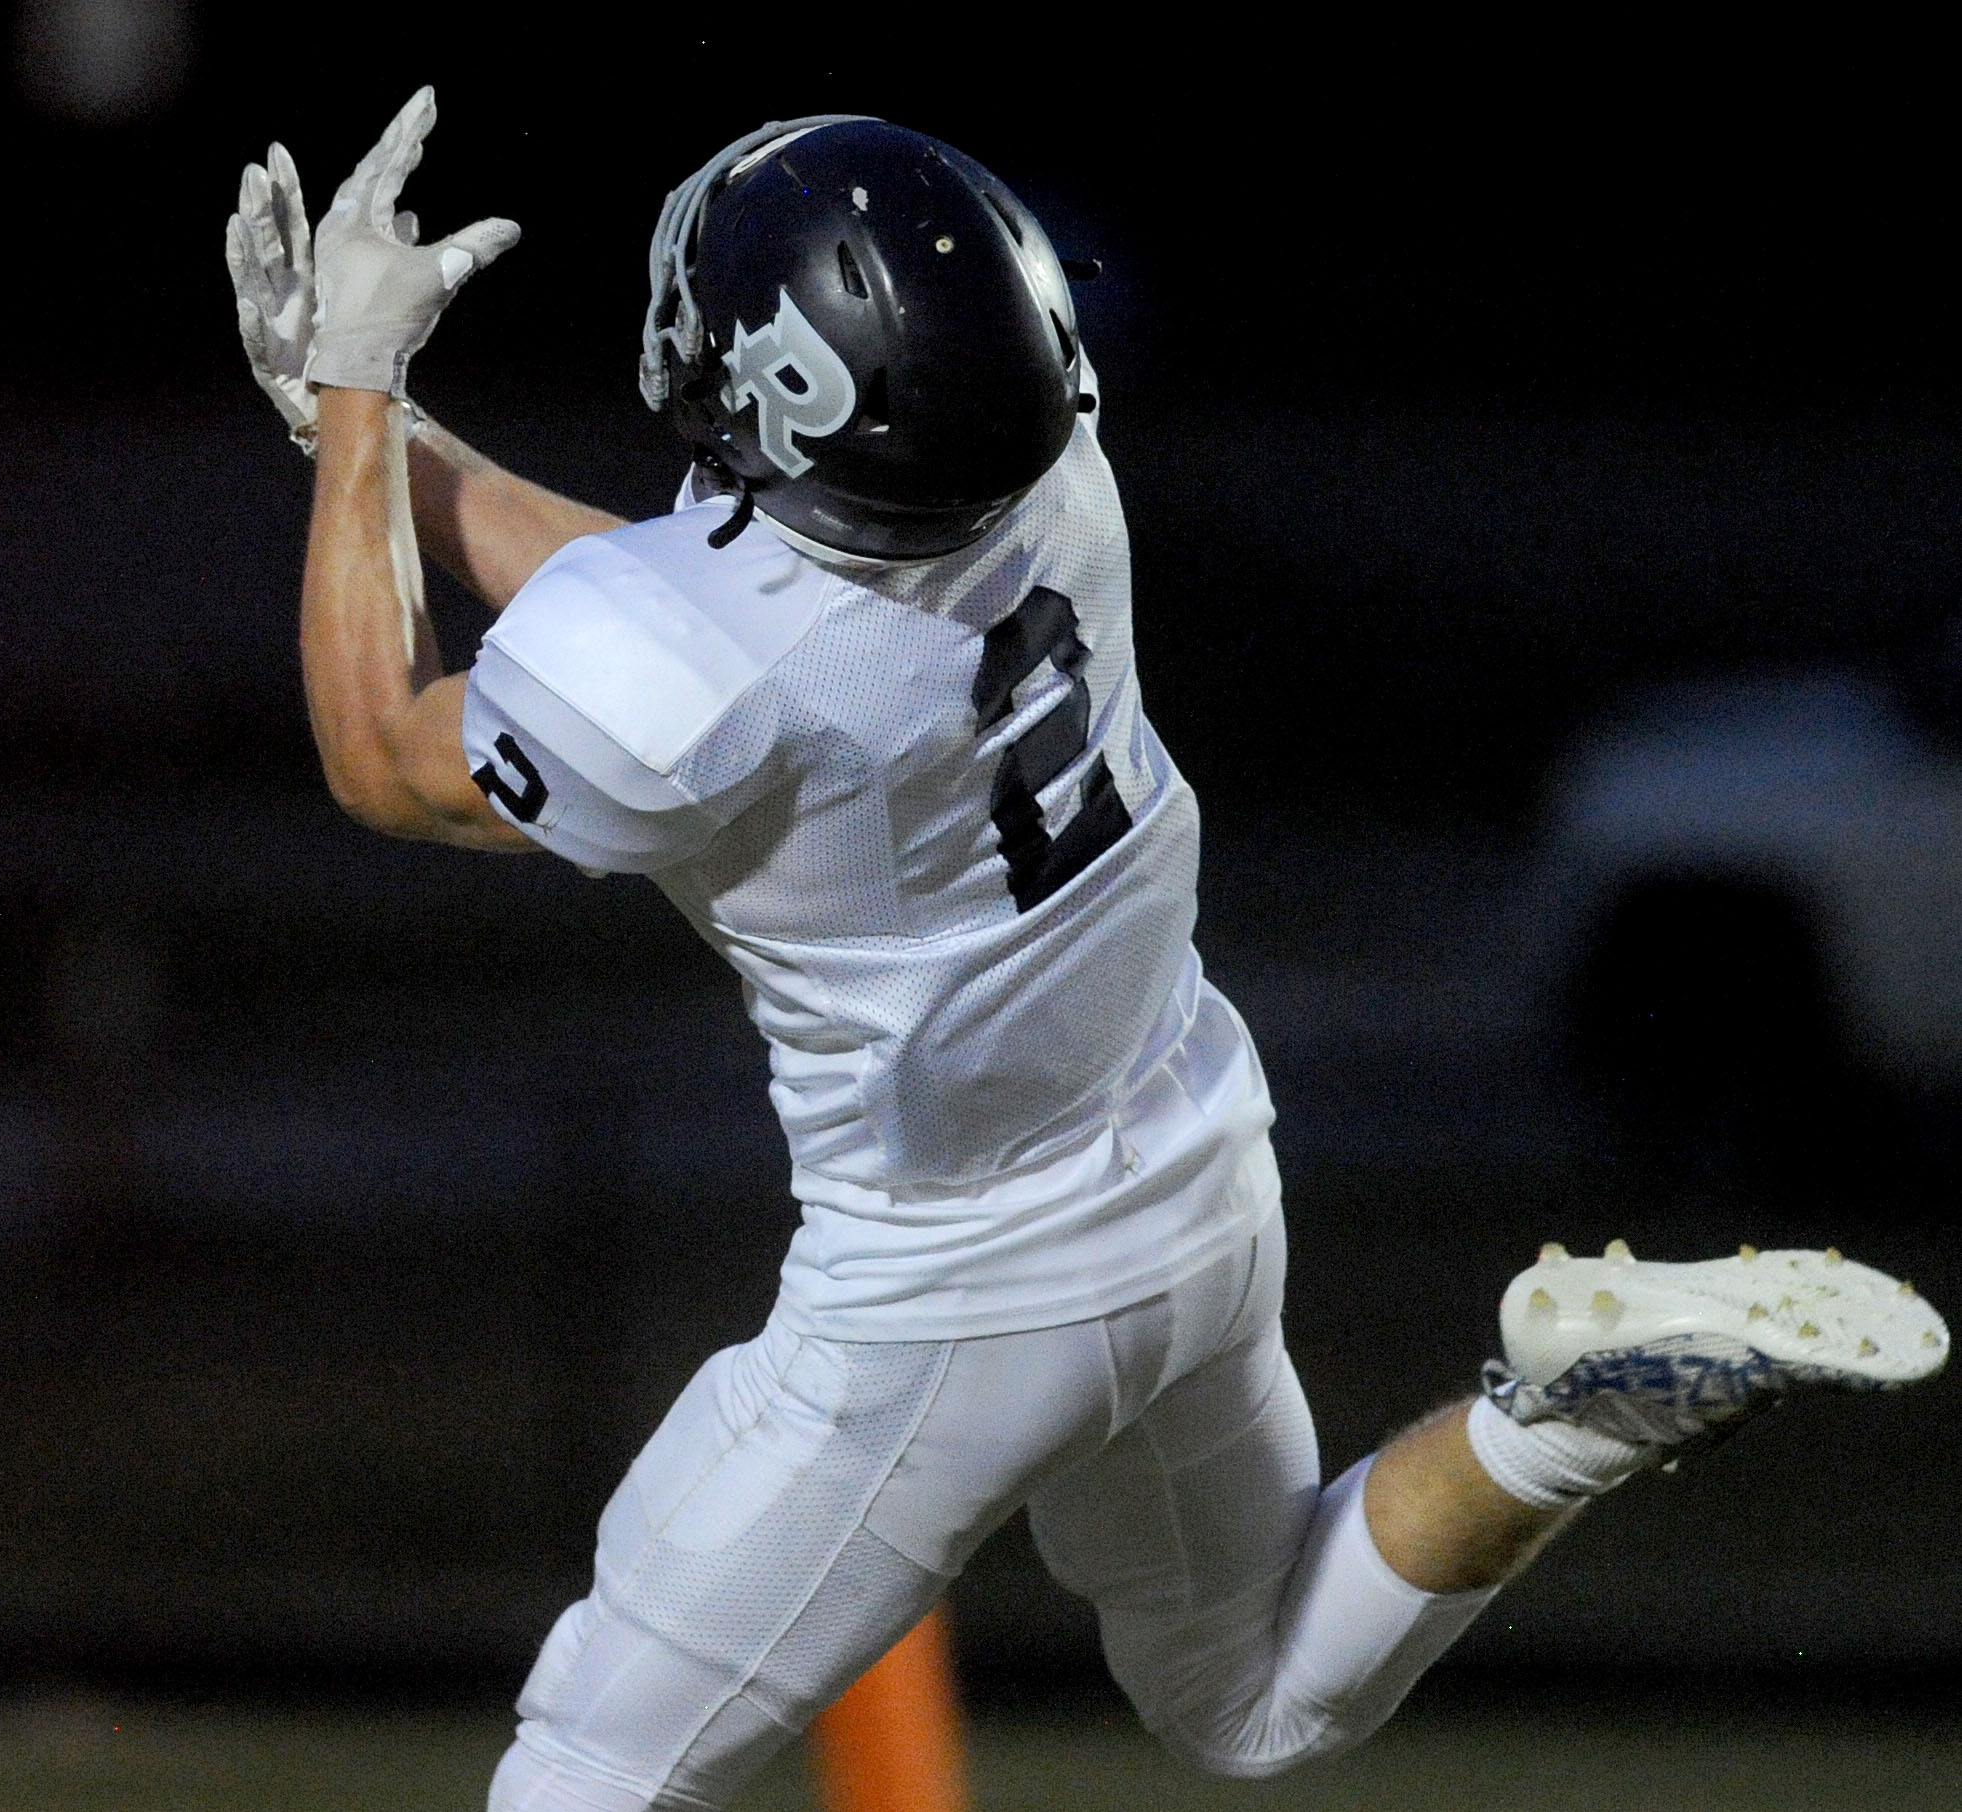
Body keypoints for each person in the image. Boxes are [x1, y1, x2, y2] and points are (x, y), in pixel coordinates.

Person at [222, 90, 1948, 1811]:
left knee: (588, 1769)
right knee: (1253, 1704)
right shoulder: (1048, 475)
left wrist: (364, 393)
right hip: (1191, 1172)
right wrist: (367, 431)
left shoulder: (717, 658)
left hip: (943, 1297)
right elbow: (677, 622)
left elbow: (395, 751)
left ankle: (1576, 1419)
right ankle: (1575, 1419)